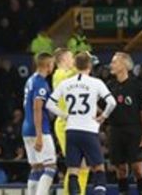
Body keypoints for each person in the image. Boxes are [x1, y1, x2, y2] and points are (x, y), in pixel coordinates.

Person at [46, 52, 117, 195]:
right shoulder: (94, 82)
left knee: (74, 169)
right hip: (88, 129)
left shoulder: (67, 82)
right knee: (98, 168)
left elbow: (49, 104)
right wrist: (103, 116)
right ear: (89, 65)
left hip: (71, 129)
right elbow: (112, 102)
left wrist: (65, 115)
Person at [107, 52, 142, 195]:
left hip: (133, 131)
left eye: (115, 62)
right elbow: (101, 107)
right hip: (115, 131)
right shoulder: (109, 86)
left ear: (124, 65)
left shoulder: (138, 86)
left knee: (138, 168)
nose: (111, 65)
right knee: (120, 169)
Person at [52, 49, 89, 195]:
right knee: (75, 165)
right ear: (63, 59)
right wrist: (81, 64)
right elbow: (72, 77)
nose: (73, 59)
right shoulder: (59, 74)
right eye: (70, 57)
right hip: (64, 124)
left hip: (77, 123)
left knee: (84, 164)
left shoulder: (72, 74)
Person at [22, 52, 57, 195]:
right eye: (52, 64)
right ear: (48, 66)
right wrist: (40, 135)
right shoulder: (41, 83)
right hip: (39, 128)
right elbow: (37, 108)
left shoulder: (30, 80)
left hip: (26, 127)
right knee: (50, 167)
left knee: (36, 168)